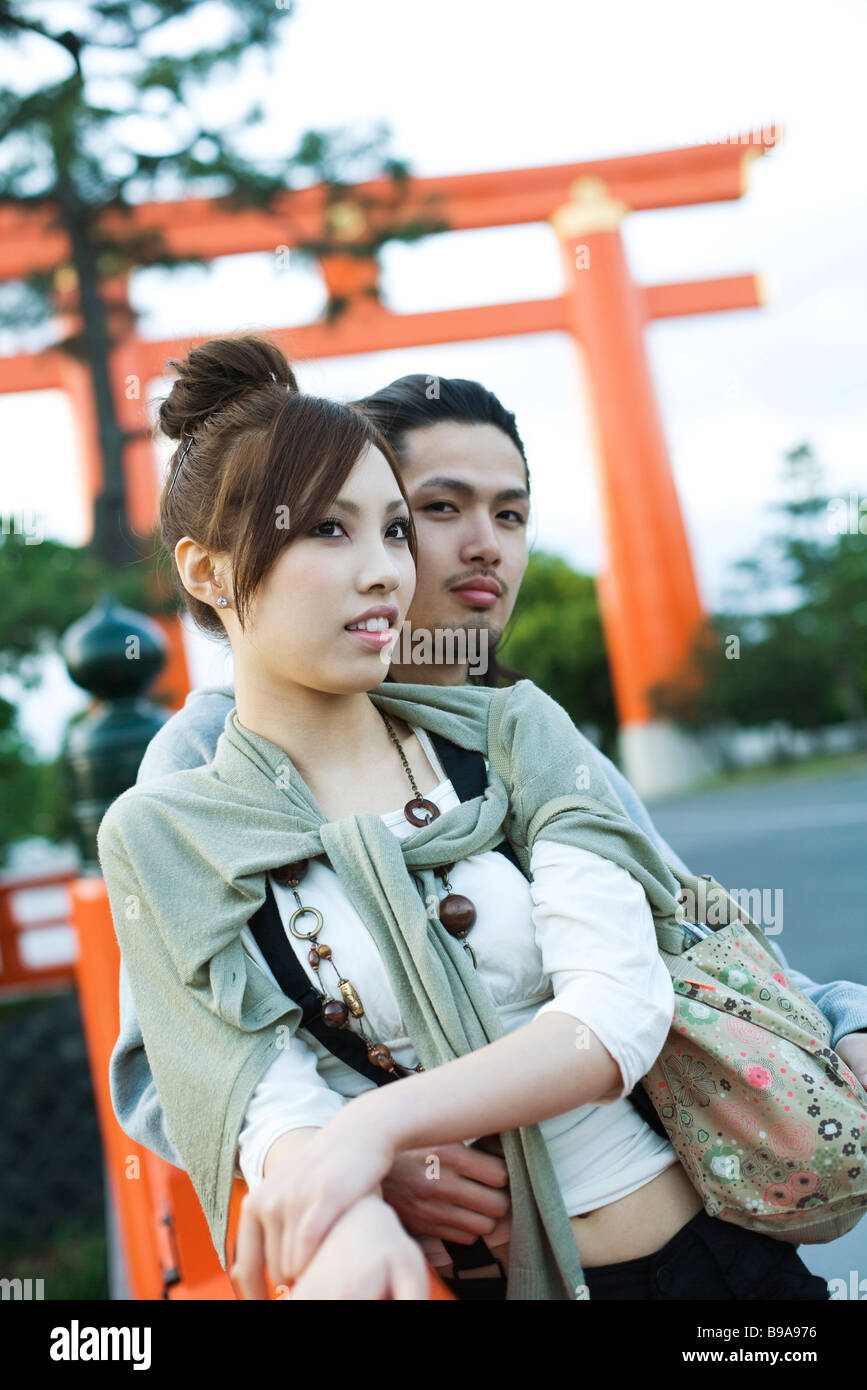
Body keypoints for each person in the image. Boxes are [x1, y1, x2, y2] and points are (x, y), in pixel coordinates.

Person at [98, 336, 853, 1302]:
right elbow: (220, 1074)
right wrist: (347, 1176)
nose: (388, 570)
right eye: (337, 529)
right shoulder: (180, 804)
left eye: (395, 532)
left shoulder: (516, 733)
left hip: (703, 1268)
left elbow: (652, 972)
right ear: (208, 571)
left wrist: (370, 1133)